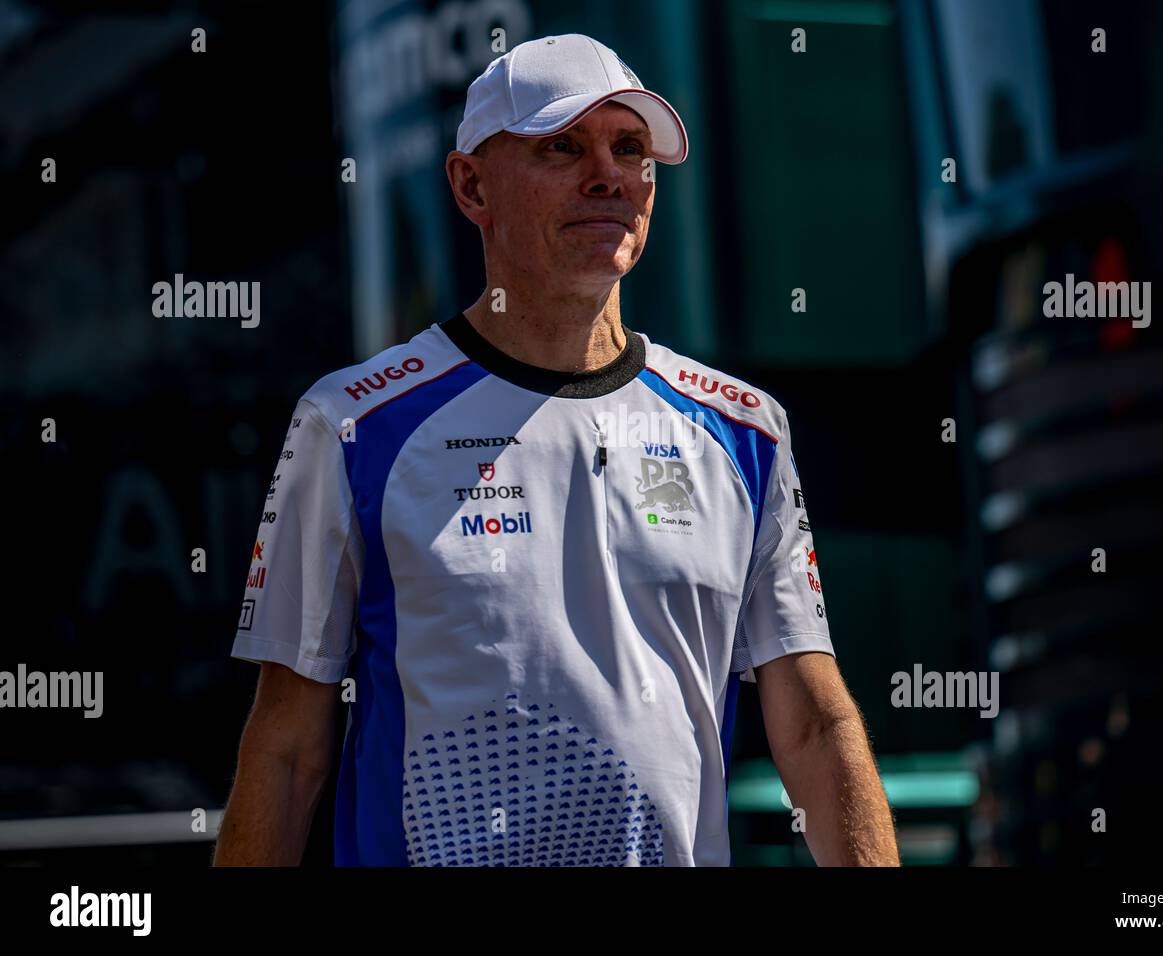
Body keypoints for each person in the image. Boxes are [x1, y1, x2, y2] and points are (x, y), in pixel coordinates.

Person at [214, 33, 899, 867]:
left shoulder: (745, 431)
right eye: (562, 146)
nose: (608, 175)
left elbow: (817, 727)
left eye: (631, 149)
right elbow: (286, 751)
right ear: (471, 186)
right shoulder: (352, 424)